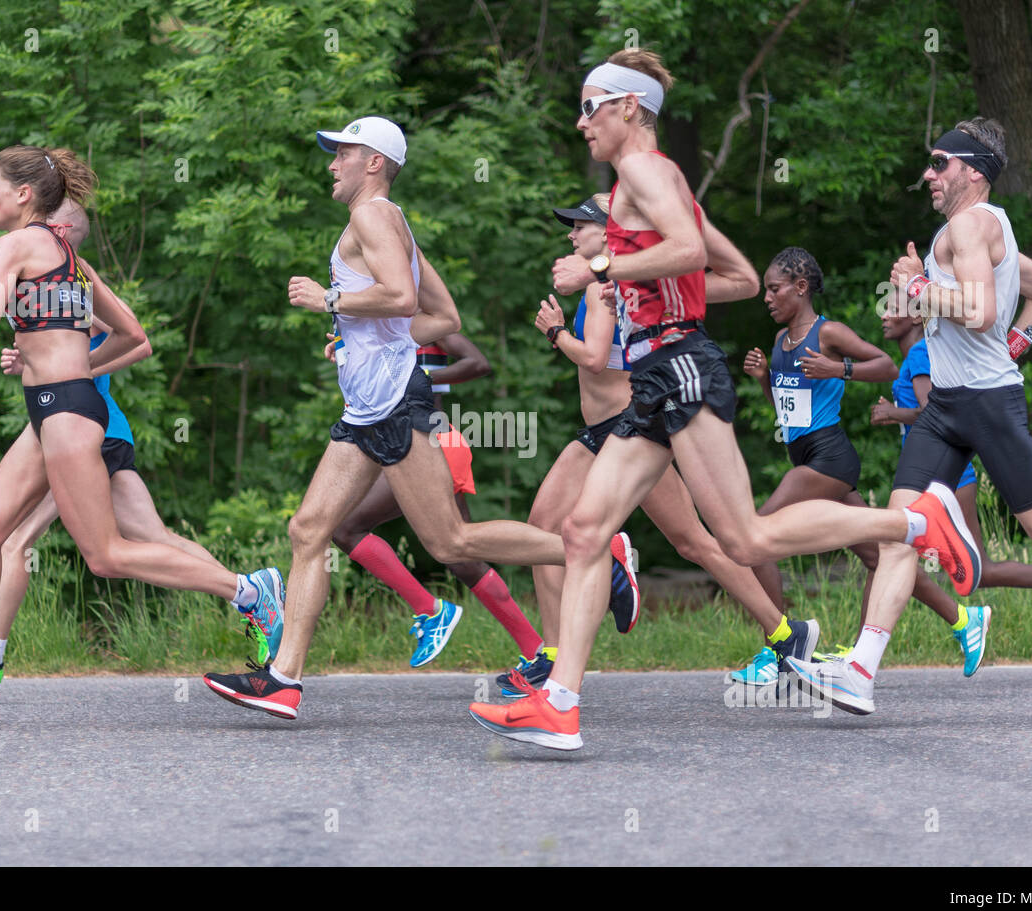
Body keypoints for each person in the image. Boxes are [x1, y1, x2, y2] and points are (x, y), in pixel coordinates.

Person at [468, 50, 976, 750]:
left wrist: (602, 266)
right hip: (653, 379)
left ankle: (915, 527)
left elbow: (682, 249)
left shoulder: (645, 171)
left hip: (680, 369)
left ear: (627, 109)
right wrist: (649, 286)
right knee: (585, 533)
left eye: (590, 106)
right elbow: (734, 276)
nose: (580, 120)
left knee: (745, 537)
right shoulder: (643, 185)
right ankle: (560, 704)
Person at [202, 117, 636, 720]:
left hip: (395, 405)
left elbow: (404, 301)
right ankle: (284, 679)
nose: (332, 164)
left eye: (343, 154)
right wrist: (364, 339)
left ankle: (597, 555)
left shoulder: (372, 216)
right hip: (366, 407)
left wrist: (328, 300)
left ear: (374, 161)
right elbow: (444, 317)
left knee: (450, 540)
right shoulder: (395, 223)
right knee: (309, 529)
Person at [0, 146, 283, 721]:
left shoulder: (13, 246)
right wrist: (73, 370)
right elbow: (132, 335)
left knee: (107, 554)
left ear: (23, 195)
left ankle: (249, 591)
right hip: (56, 407)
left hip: (65, 414)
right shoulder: (69, 257)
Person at [787, 117, 1032, 714]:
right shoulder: (988, 229)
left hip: (988, 404)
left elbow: (977, 308)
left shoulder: (971, 224)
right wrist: (1015, 343)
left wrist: (917, 288)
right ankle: (860, 672)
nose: (928, 174)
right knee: (897, 530)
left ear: (973, 171)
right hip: (944, 406)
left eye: (939, 163)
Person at [0, 200, 244, 689]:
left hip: (80, 424)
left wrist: (68, 369)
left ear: (61, 231)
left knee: (62, 548)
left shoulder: (69, 281)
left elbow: (130, 341)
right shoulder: (57, 283)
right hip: (74, 417)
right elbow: (81, 344)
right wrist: (33, 364)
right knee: (5, 537)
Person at [506, 197, 820, 698]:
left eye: (580, 227)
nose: (571, 235)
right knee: (545, 527)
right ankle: (552, 653)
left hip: (627, 429)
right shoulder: (605, 286)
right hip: (601, 433)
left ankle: (784, 632)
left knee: (695, 541)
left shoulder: (601, 286)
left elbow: (591, 358)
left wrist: (555, 333)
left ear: (607, 234)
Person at [731, 247, 990, 684]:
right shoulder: (780, 343)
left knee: (754, 534)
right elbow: (786, 412)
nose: (767, 298)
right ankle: (964, 620)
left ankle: (777, 646)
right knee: (877, 554)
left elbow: (886, 364)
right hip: (805, 452)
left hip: (829, 457)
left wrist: (838, 368)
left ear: (801, 288)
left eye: (774, 290)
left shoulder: (827, 332)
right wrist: (763, 381)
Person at [872, 296, 1032, 647]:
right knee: (913, 553)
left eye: (894, 308)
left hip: (947, 475)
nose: (885, 315)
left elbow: (930, 412)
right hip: (935, 471)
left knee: (903, 549)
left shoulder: (923, 353)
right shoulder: (917, 355)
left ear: (916, 315)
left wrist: (894, 414)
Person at [321, 331, 547, 670]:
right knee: (463, 556)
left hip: (429, 441)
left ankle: (430, 610)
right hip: (416, 441)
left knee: (346, 528)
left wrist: (425, 374)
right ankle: (537, 651)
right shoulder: (382, 328)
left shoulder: (427, 324)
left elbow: (478, 362)